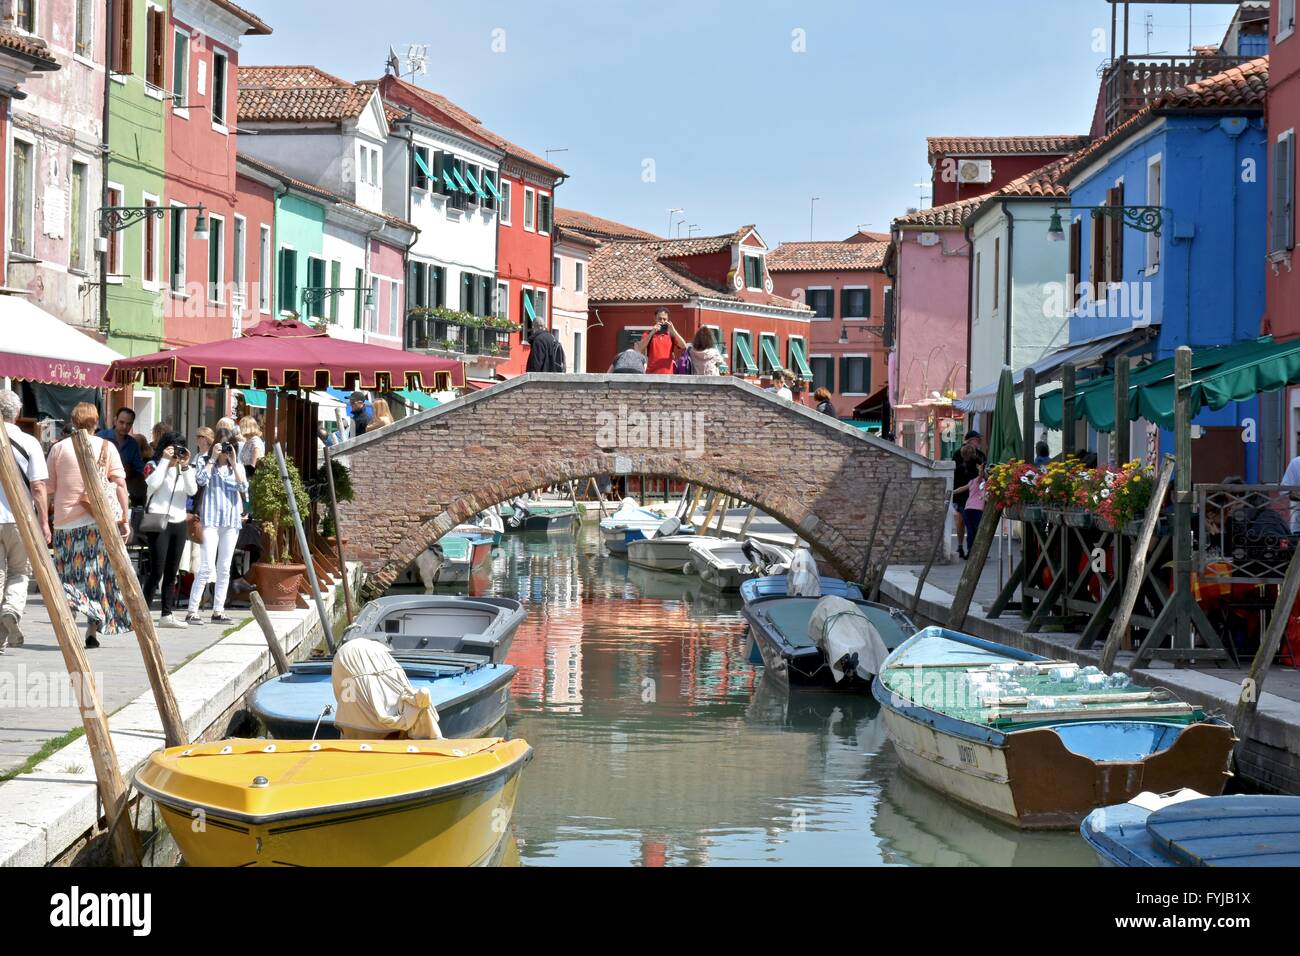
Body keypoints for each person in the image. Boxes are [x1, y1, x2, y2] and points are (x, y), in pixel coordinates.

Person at [46, 403, 133, 648]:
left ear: (73, 422)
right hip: (96, 521)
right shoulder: (108, 447)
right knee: (94, 574)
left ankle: (70, 623)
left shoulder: (59, 448)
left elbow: (50, 489)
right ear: (97, 423)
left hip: (64, 522)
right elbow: (120, 486)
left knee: (67, 575)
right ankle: (91, 631)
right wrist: (124, 519)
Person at [0, 389, 50, 652]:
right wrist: (43, 522)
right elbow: (39, 486)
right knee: (19, 571)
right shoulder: (30, 442)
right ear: (17, 413)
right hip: (20, 517)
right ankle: (11, 609)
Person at [185, 428, 247, 626]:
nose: (225, 451)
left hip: (231, 522)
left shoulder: (236, 467)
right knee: (206, 566)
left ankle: (218, 610)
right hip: (210, 521)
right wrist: (212, 458)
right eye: (222, 447)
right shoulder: (205, 462)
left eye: (229, 447)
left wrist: (234, 462)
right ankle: (192, 610)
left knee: (225, 567)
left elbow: (244, 488)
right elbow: (200, 480)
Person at [141, 433, 197, 628]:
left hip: (179, 521)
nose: (176, 454)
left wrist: (185, 465)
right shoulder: (153, 465)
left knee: (172, 571)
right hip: (158, 520)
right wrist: (165, 461)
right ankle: (143, 613)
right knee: (156, 570)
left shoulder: (185, 469)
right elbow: (153, 484)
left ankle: (166, 614)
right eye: (173, 449)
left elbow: (192, 491)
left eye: (179, 449)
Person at [98, 406, 146, 506]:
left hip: (122, 490)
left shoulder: (133, 444)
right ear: (115, 421)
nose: (124, 426)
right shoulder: (100, 437)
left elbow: (139, 469)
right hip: (100, 488)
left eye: (128, 424)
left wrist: (130, 471)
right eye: (121, 422)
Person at [951, 432, 985, 559]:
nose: (979, 442)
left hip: (972, 495)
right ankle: (963, 547)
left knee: (970, 525)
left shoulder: (980, 456)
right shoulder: (958, 454)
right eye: (977, 440)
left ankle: (972, 549)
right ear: (970, 441)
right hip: (966, 496)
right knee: (965, 523)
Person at [954, 458, 987, 560]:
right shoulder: (976, 481)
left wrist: (952, 492)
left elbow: (962, 488)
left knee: (972, 530)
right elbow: (963, 488)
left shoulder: (976, 481)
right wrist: (953, 492)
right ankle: (973, 551)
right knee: (975, 531)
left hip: (971, 508)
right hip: (974, 509)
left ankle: (971, 551)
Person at [636, 308, 686, 375]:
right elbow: (640, 348)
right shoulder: (647, 334)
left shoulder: (671, 335)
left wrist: (673, 330)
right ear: (655, 319)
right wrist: (652, 333)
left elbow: (683, 345)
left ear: (668, 320)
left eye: (664, 319)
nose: (662, 321)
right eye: (659, 318)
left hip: (668, 375)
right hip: (651, 374)